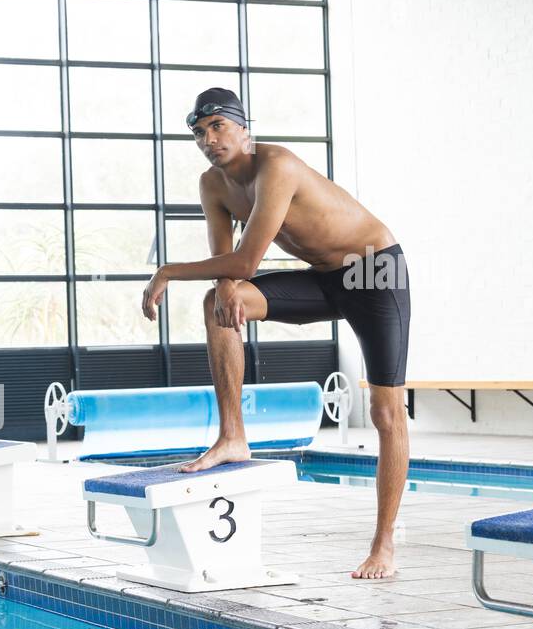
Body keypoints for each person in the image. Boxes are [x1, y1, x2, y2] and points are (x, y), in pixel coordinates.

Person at [140, 88, 410, 580]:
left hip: (372, 273)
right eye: (200, 133)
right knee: (219, 302)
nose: (208, 139)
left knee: (385, 412)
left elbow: (245, 262)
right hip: (324, 279)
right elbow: (228, 272)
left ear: (244, 127)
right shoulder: (213, 185)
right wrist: (224, 290)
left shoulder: (277, 165)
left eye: (218, 126)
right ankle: (232, 436)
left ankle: (384, 543)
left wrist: (168, 271)